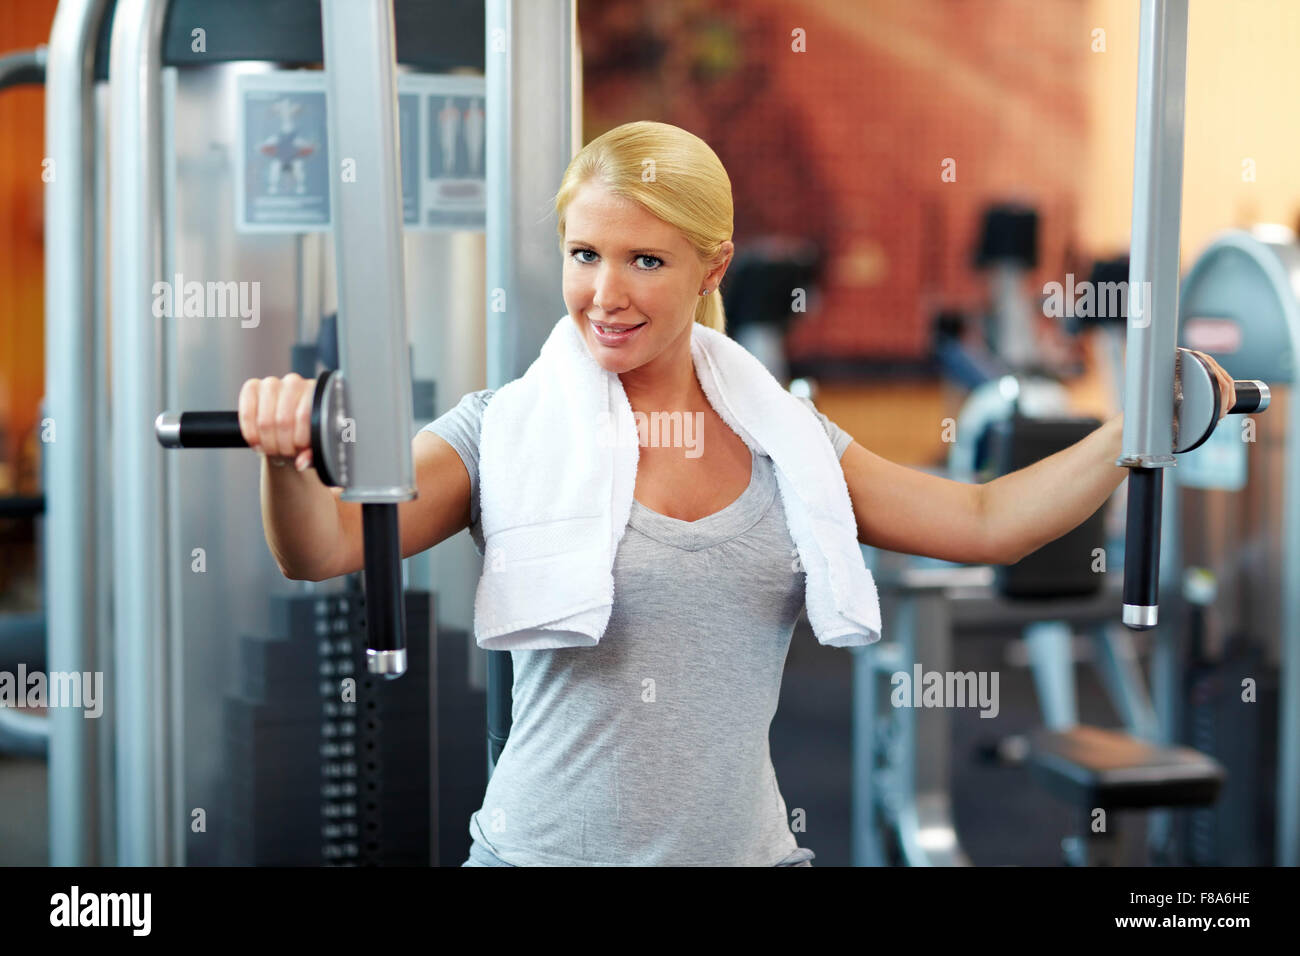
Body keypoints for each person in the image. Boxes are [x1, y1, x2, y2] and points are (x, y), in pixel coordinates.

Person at [237, 120, 1238, 867]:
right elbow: (321, 546)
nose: (605, 293)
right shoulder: (499, 429)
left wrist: (1133, 429)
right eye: (584, 254)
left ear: (711, 262)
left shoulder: (787, 441)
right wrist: (286, 459)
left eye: (644, 260)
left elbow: (984, 522)